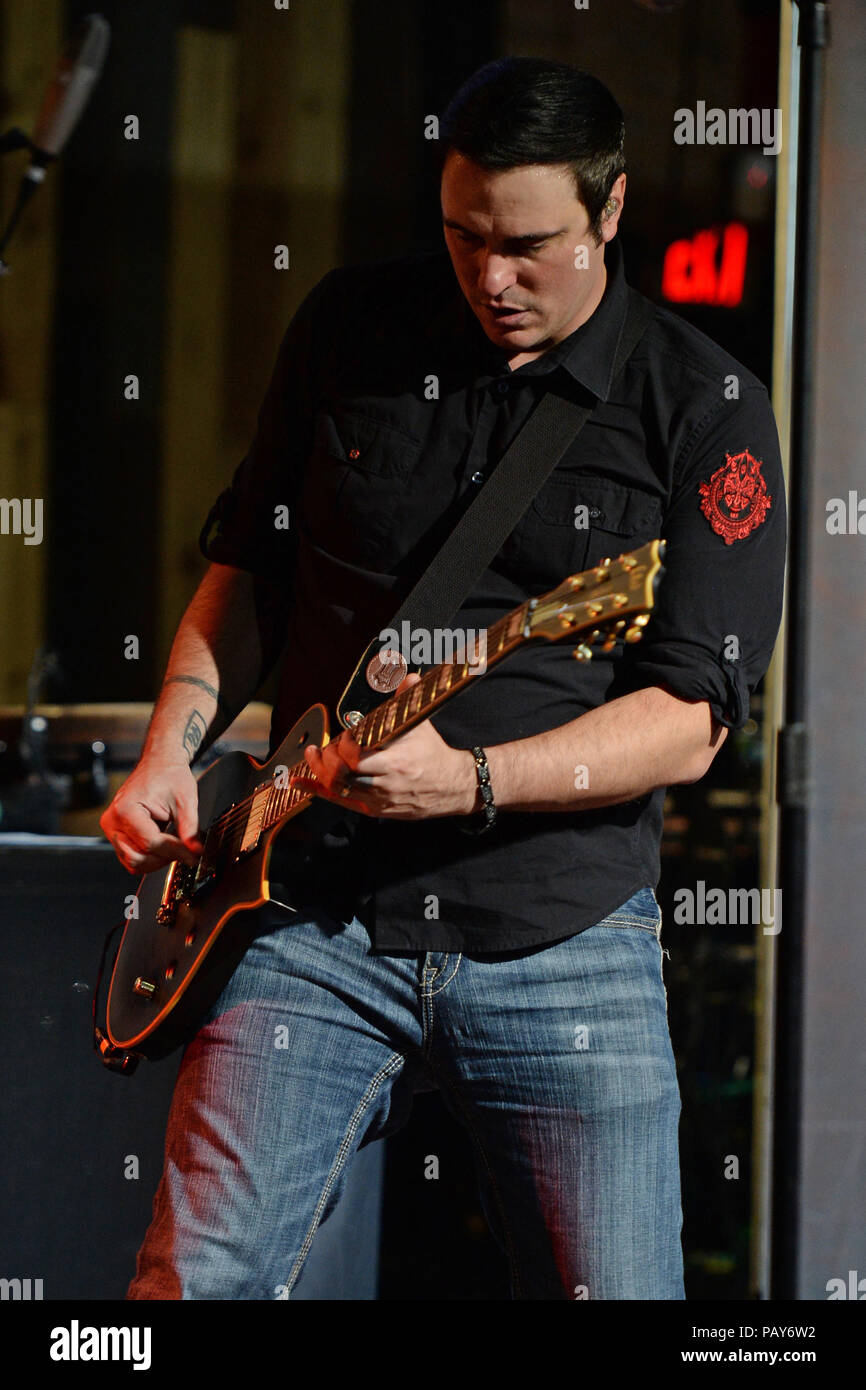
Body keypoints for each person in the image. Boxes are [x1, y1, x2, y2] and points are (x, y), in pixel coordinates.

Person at [102, 57, 786, 1300]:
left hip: (559, 933)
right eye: (464, 237)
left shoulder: (704, 407)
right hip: (307, 912)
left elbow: (689, 719)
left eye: (528, 245)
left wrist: (471, 782)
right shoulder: (351, 326)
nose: (491, 278)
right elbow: (249, 570)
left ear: (611, 209)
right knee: (190, 1285)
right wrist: (168, 747)